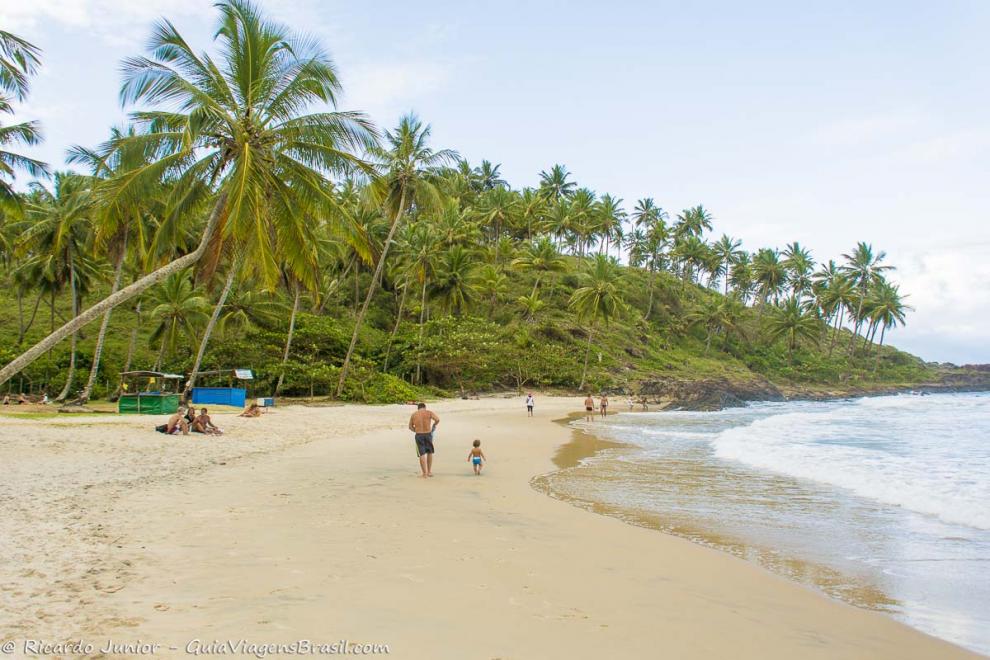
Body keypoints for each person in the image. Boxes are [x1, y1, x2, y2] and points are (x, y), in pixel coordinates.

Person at [408, 402, 440, 478]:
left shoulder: (414, 414)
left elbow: (410, 427)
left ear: (418, 408)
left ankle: (424, 474)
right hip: (428, 434)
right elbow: (437, 419)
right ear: (425, 407)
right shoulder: (429, 412)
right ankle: (429, 472)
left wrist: (416, 430)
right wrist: (434, 425)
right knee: (429, 452)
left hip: (419, 435)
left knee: (422, 454)